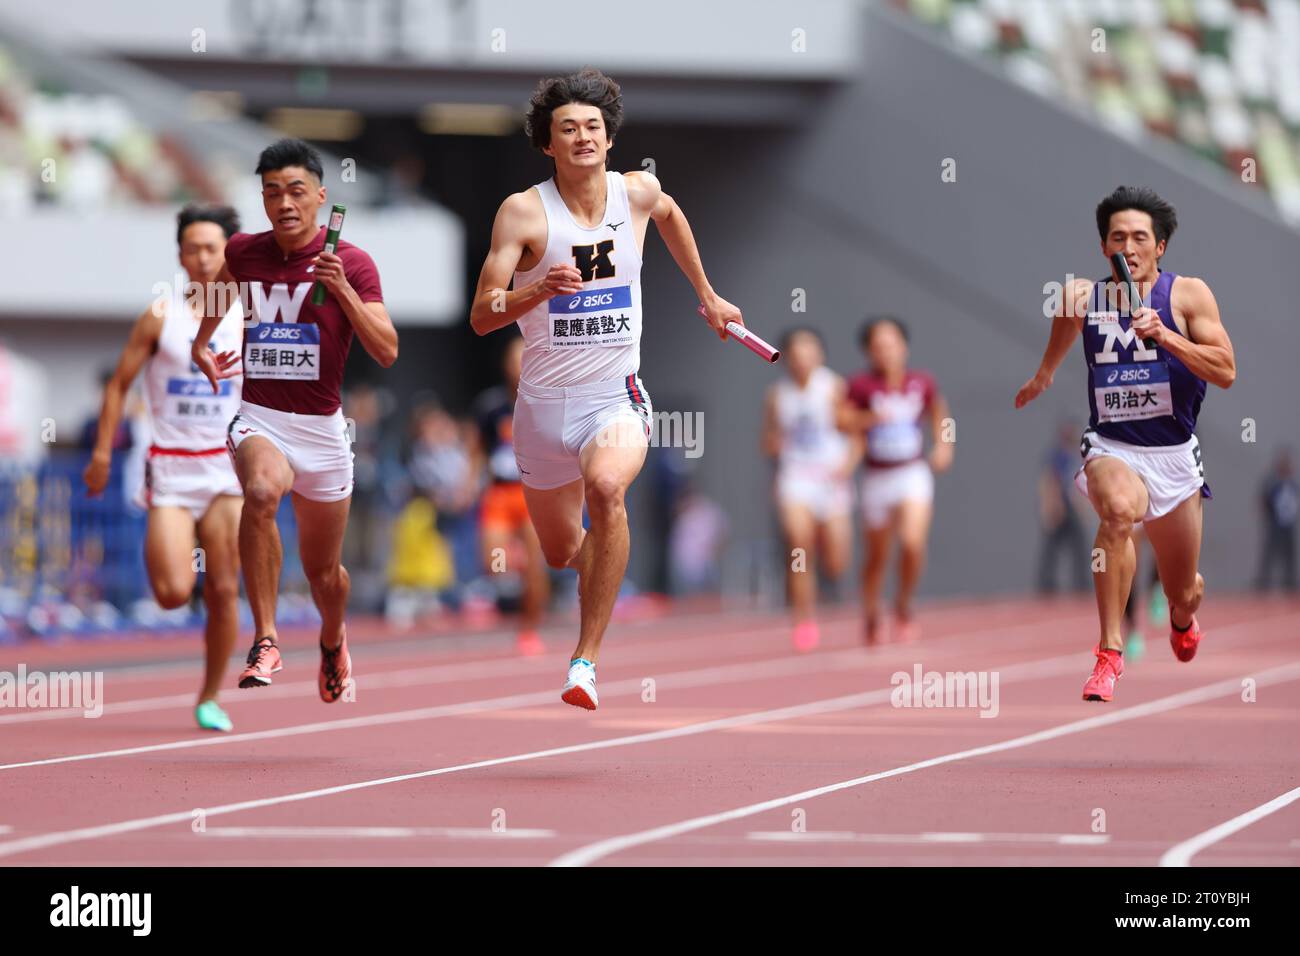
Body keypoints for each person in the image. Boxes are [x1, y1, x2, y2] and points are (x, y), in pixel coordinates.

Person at [468, 68, 744, 709]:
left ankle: (584, 660)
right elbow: (483, 315)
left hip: (614, 397)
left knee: (607, 488)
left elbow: (672, 216)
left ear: (609, 137)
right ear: (548, 143)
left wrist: (707, 295)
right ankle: (603, 578)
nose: (583, 137)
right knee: (565, 552)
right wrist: (539, 289)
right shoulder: (523, 211)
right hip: (539, 412)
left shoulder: (637, 193)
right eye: (568, 129)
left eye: (593, 126)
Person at [191, 138, 398, 703]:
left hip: (323, 431)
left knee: (324, 575)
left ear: (320, 197)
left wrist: (343, 294)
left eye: (297, 191)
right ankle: (266, 637)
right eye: (272, 192)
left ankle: (333, 639)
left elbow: (387, 351)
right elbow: (217, 295)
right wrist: (203, 344)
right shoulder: (244, 252)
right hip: (261, 417)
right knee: (260, 492)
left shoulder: (352, 263)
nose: (284, 202)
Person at [1015, 186, 1236, 702]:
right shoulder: (1081, 296)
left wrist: (1168, 337)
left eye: (1140, 238)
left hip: (1175, 457)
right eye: (1119, 238)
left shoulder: (1188, 295)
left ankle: (1183, 617)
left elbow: (1226, 370)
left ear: (1160, 247)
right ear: (1104, 247)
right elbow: (1065, 321)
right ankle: (1109, 652)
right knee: (1118, 513)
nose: (1129, 247)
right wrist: (1045, 373)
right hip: (1112, 446)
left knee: (1182, 590)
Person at [84, 204, 245, 731]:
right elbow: (117, 385)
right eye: (193, 248)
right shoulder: (161, 314)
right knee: (174, 592)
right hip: (172, 471)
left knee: (224, 588)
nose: (202, 259)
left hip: (227, 472)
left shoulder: (250, 315)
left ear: (229, 254)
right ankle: (191, 572)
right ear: (179, 255)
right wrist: (104, 451)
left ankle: (210, 695)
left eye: (212, 248)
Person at [839, 316, 951, 644]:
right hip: (876, 476)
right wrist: (870, 418)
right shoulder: (861, 386)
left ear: (904, 346)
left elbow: (939, 415)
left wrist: (944, 445)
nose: (885, 352)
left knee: (913, 543)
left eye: (891, 344)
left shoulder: (922, 383)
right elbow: (841, 419)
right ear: (868, 351)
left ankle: (903, 604)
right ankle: (872, 610)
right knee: (877, 555)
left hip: (911, 471)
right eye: (877, 347)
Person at [762, 327, 858, 651]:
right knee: (799, 546)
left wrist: (847, 464)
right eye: (797, 353)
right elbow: (768, 440)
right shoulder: (778, 395)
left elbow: (855, 432)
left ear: (820, 355)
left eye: (809, 351)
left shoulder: (832, 387)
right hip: (796, 477)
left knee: (836, 561)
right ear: (788, 358)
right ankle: (804, 619)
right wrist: (774, 445)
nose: (803, 359)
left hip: (830, 477)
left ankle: (828, 579)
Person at [474, 335, 550, 654]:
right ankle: (512, 558)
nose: (517, 367)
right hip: (500, 494)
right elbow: (476, 450)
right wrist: (468, 483)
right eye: (512, 360)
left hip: (532, 492)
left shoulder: (546, 401)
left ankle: (529, 629)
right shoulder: (491, 407)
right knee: (493, 560)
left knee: (536, 568)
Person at [1256, 448, 1298, 591]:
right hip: (1275, 525)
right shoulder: (1274, 484)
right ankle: (1263, 583)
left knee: (1289, 556)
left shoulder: (1293, 484)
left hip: (1288, 525)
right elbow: (1265, 500)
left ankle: (1289, 583)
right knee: (1270, 555)